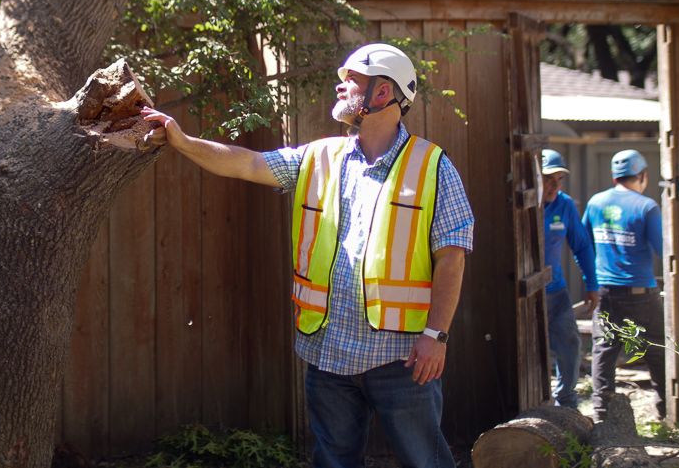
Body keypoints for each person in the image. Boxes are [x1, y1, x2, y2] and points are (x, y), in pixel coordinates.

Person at [142, 43, 473, 468]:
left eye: (351, 78)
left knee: (424, 462)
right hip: (328, 355)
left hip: (402, 360)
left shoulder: (433, 166)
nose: (340, 85)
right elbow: (247, 164)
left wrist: (436, 336)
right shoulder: (319, 157)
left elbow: (452, 257)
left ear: (383, 93)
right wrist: (181, 140)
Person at [582, 149, 665, 420]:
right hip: (641, 292)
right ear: (642, 175)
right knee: (656, 351)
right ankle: (666, 411)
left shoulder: (595, 202)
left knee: (604, 352)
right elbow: (664, 250)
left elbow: (584, 244)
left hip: (605, 291)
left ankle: (600, 414)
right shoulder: (646, 206)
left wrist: (591, 278)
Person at [540, 149, 598, 409]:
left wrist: (592, 284)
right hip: (525, 295)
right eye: (549, 178)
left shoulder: (564, 205)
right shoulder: (522, 206)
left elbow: (582, 246)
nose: (555, 185)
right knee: (530, 351)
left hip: (556, 292)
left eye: (559, 179)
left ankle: (567, 402)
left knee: (570, 344)